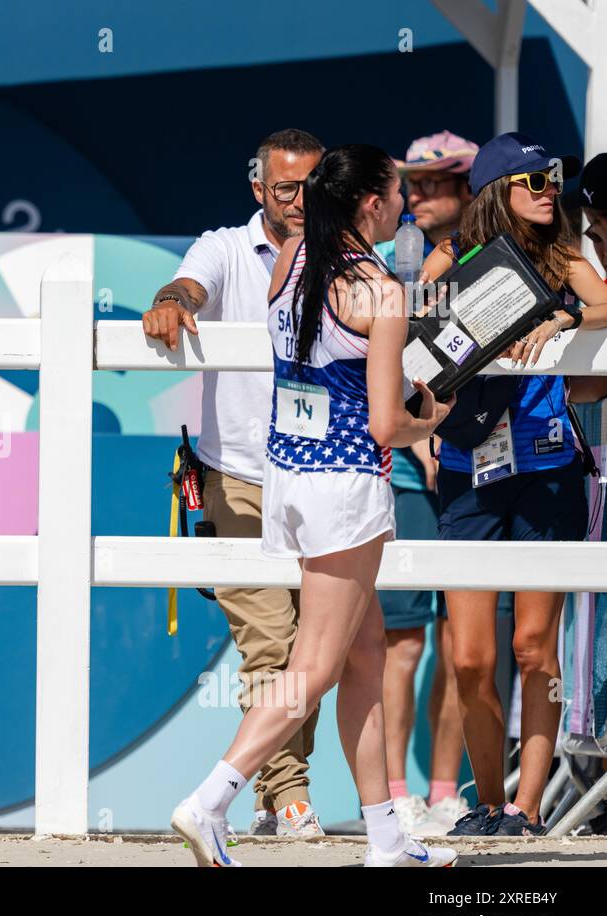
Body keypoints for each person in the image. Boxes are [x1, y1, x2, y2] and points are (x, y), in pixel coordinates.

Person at [170, 144, 458, 867]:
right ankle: (209, 800)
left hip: (292, 477)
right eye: (397, 194)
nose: (406, 206)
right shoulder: (378, 288)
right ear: (370, 203)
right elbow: (387, 423)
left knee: (362, 659)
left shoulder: (291, 257)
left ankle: (386, 836)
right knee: (316, 666)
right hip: (345, 484)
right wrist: (435, 417)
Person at [419, 133, 607, 836]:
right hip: (470, 470)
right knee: (469, 657)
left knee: (535, 648)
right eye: (533, 180)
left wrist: (565, 314)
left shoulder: (564, 258)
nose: (549, 190)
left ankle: (525, 810)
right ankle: (487, 803)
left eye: (553, 179)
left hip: (550, 468)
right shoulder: (451, 259)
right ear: (499, 188)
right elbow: (412, 330)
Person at [143, 129, 328, 836]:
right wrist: (170, 300)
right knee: (271, 646)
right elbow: (189, 285)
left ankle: (266, 798)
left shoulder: (344, 253)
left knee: (317, 650)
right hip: (237, 480)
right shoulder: (222, 246)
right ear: (259, 189)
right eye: (287, 188)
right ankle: (291, 795)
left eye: (314, 184)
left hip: (321, 476)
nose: (302, 200)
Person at [374, 132, 478, 835]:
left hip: (479, 469)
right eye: (413, 183)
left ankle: (446, 792)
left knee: (461, 643)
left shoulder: (497, 265)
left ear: (470, 189)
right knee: (403, 641)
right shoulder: (384, 268)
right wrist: (424, 439)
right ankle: (392, 792)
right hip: (409, 472)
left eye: (439, 182)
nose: (421, 195)